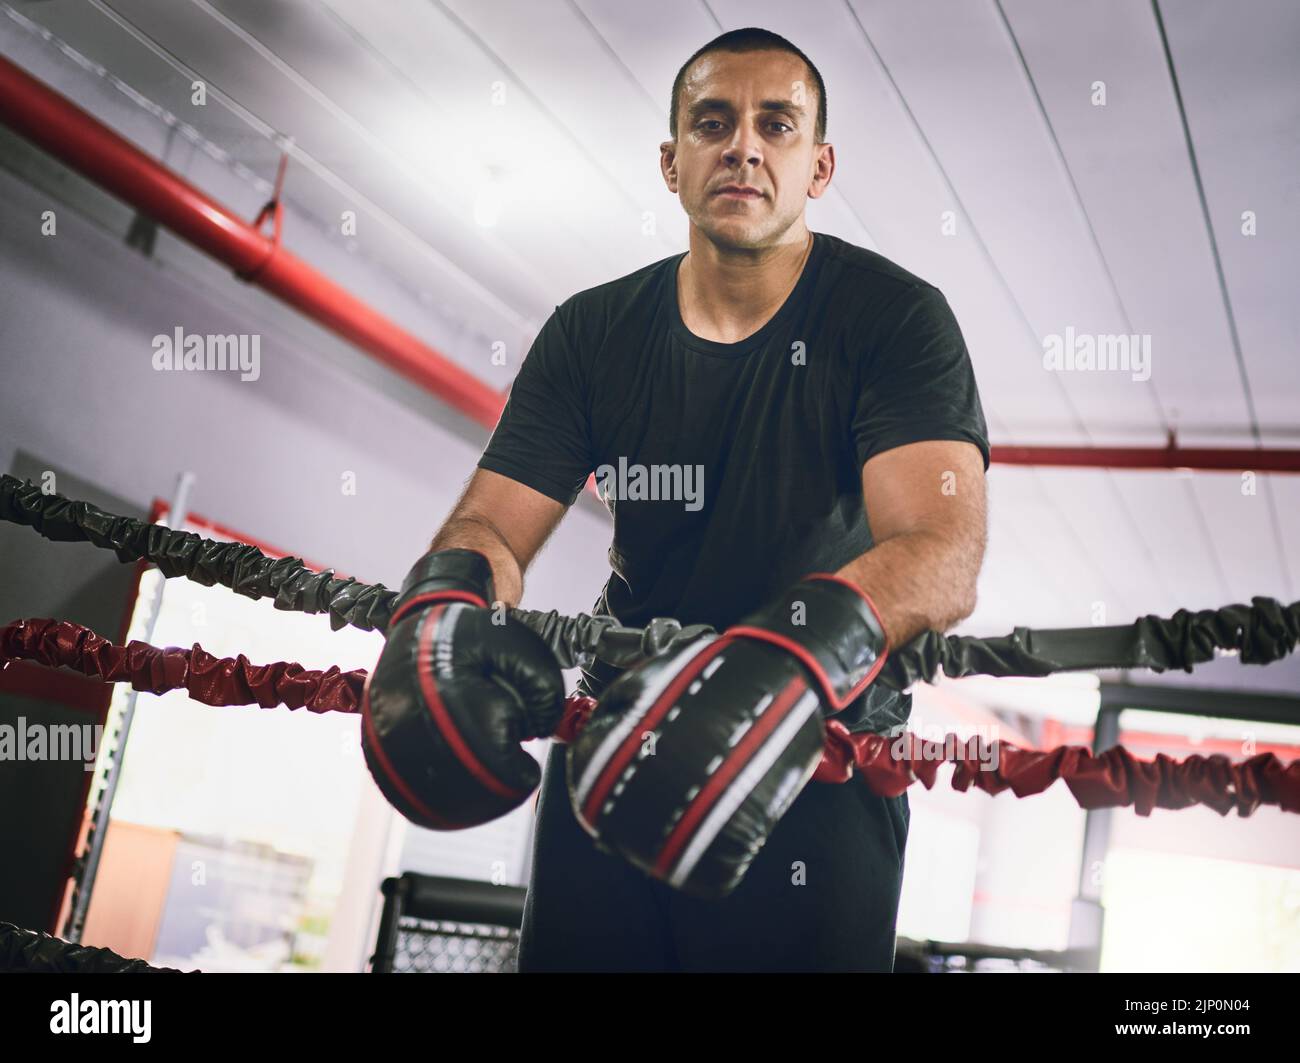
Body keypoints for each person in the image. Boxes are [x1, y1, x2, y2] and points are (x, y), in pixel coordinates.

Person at [363, 27, 989, 972]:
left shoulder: (893, 319)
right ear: (671, 162)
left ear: (818, 166)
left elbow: (942, 546)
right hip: (619, 737)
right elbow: (494, 521)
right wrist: (442, 608)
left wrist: (787, 662)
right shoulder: (592, 331)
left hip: (817, 760)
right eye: (713, 121)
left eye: (776, 124)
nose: (743, 144)